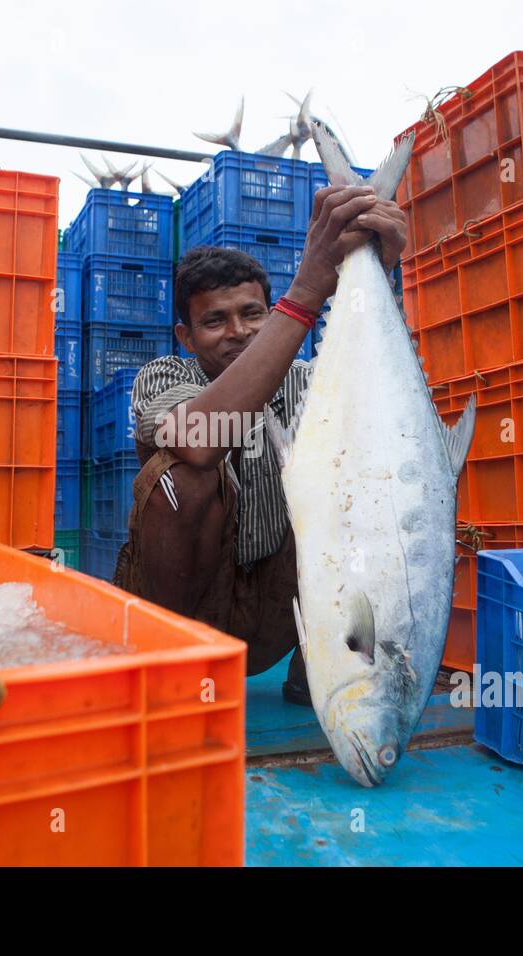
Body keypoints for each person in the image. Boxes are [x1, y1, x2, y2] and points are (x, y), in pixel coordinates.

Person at [112, 184, 408, 703]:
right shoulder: (162, 376)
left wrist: (380, 272)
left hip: (283, 611)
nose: (238, 332)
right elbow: (200, 443)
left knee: (362, 472)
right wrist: (309, 288)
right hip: (193, 607)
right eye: (214, 321)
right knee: (182, 476)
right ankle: (172, 669)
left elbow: (382, 406)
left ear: (271, 316)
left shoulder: (311, 381)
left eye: (253, 314)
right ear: (186, 337)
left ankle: (326, 660)